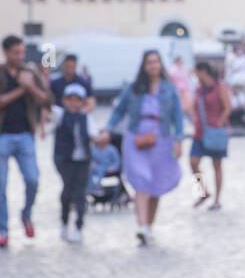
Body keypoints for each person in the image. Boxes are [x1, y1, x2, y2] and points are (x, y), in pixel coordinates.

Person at [98, 50, 184, 246]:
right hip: (137, 137)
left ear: (160, 65)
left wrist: (179, 140)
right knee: (142, 180)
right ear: (144, 66)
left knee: (156, 185)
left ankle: (148, 226)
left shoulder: (169, 90)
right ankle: (141, 225)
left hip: (161, 139)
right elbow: (118, 111)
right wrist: (108, 130)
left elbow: (177, 117)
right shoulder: (134, 89)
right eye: (149, 63)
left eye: (156, 62)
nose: (153, 66)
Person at [0, 34, 52, 248]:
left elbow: (47, 99)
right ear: (6, 52)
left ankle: (26, 215)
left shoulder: (30, 72)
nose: (20, 56)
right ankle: (2, 229)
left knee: (32, 179)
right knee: (0, 186)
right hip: (2, 135)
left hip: (25, 135)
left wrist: (31, 87)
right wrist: (22, 89)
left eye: (22, 52)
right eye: (16, 52)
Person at [52, 84, 93, 243]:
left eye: (77, 100)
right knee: (67, 191)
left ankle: (78, 226)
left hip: (83, 160)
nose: (73, 103)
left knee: (80, 193)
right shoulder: (60, 115)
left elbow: (95, 135)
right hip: (66, 160)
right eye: (70, 99)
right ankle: (64, 221)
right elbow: (47, 104)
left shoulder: (86, 118)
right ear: (64, 101)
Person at [189, 62, 232, 210]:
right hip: (200, 132)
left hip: (215, 132)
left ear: (204, 72)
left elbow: (227, 107)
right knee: (193, 162)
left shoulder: (219, 87)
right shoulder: (199, 90)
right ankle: (202, 192)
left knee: (217, 166)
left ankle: (217, 200)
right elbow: (193, 107)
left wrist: (220, 123)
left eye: (197, 73)